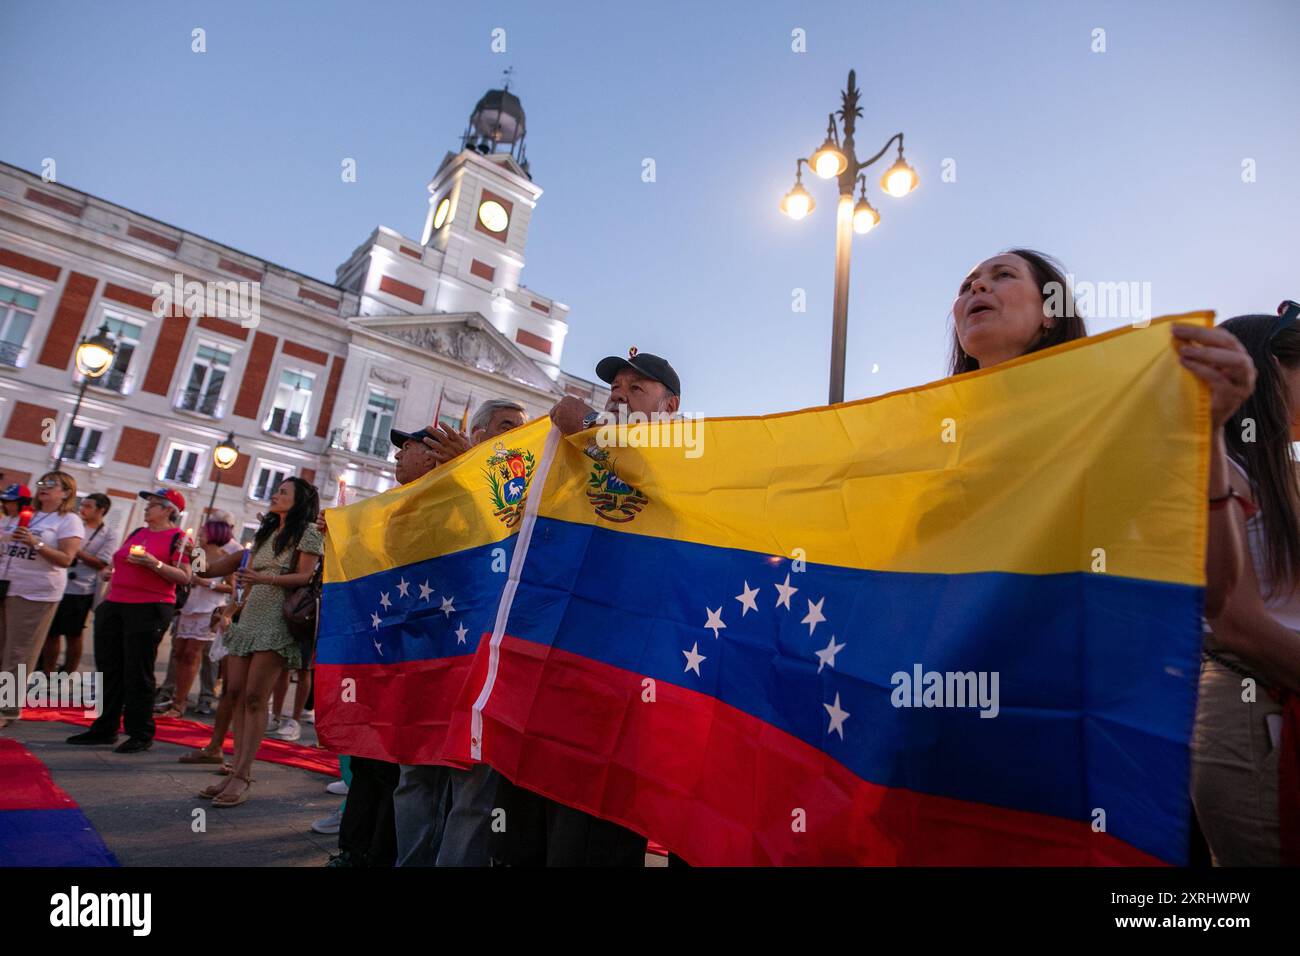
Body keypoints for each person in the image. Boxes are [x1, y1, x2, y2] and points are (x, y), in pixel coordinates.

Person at [948, 249, 1253, 614]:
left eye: (1004, 275)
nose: (977, 286)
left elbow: (1211, 594)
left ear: (1050, 313)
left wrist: (1208, 428)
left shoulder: (1115, 420)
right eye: (967, 285)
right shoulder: (936, 438)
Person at [489, 355, 680, 867]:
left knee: (593, 830)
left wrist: (590, 428)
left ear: (670, 407)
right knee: (529, 823)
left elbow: (666, 479)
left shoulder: (685, 452)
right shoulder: (574, 456)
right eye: (615, 387)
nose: (618, 395)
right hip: (551, 672)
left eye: (636, 389)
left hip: (622, 682)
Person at [392, 399, 528, 867]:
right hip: (429, 650)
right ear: (476, 434)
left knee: (473, 784)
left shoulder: (523, 491)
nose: (517, 438)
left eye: (522, 430)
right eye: (508, 428)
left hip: (487, 656)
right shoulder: (430, 486)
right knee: (416, 777)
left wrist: (473, 476)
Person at [1194, 306, 1300, 865]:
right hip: (1253, 713)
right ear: (1274, 371)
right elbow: (1234, 621)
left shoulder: (1281, 475)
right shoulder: (1221, 468)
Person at [192, 477, 321, 807]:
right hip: (248, 618)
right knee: (235, 693)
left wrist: (265, 578)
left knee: (254, 697)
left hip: (277, 617)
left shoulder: (306, 531)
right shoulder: (264, 533)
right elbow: (214, 569)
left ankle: (243, 775)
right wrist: (193, 555)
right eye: (276, 490)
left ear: (299, 501)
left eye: (283, 492)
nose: (275, 495)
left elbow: (307, 576)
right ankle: (234, 766)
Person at [65, 488, 190, 751]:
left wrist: (153, 563)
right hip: (116, 604)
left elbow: (186, 576)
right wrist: (110, 572)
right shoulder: (137, 533)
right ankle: (105, 727)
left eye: (153, 504)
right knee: (109, 667)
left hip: (150, 606)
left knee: (138, 670)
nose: (146, 508)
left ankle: (140, 733)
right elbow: (117, 562)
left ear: (169, 510)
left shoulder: (180, 539)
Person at [0, 472, 85, 728]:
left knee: (18, 652)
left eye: (51, 484)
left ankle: (6, 709)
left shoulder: (68, 520)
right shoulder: (27, 514)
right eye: (42, 483)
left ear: (66, 492)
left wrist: (36, 543)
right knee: (2, 647)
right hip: (7, 585)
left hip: (35, 591)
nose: (43, 488)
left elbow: (66, 559)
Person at [160, 515, 239, 719]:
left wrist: (208, 584)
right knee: (178, 652)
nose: (200, 533)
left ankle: (180, 703)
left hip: (208, 608)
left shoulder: (225, 557)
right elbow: (189, 574)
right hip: (189, 605)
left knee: (191, 655)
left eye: (204, 531)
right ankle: (175, 697)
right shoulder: (197, 553)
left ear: (215, 534)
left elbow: (232, 587)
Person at [40, 492, 116, 674]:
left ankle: (68, 673)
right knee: (51, 633)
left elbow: (102, 563)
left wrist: (75, 551)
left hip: (82, 589)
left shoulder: (109, 534)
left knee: (73, 634)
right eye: (82, 505)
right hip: (57, 584)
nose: (82, 509)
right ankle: (47, 671)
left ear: (101, 510)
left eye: (88, 506)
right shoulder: (72, 525)